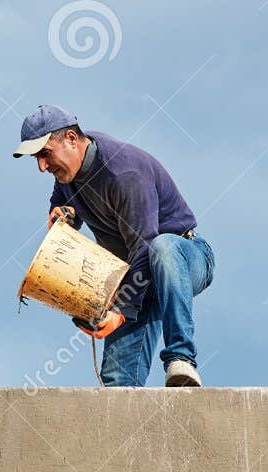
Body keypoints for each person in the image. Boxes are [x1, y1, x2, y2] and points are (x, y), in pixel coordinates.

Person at [14, 104, 214, 387]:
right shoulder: (69, 171)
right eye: (36, 158)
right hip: (136, 276)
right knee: (118, 384)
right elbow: (62, 199)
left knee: (162, 249)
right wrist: (63, 214)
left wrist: (119, 312)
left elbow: (145, 247)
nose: (42, 166)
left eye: (45, 154)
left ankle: (180, 359)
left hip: (184, 257)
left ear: (71, 139)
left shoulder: (125, 173)